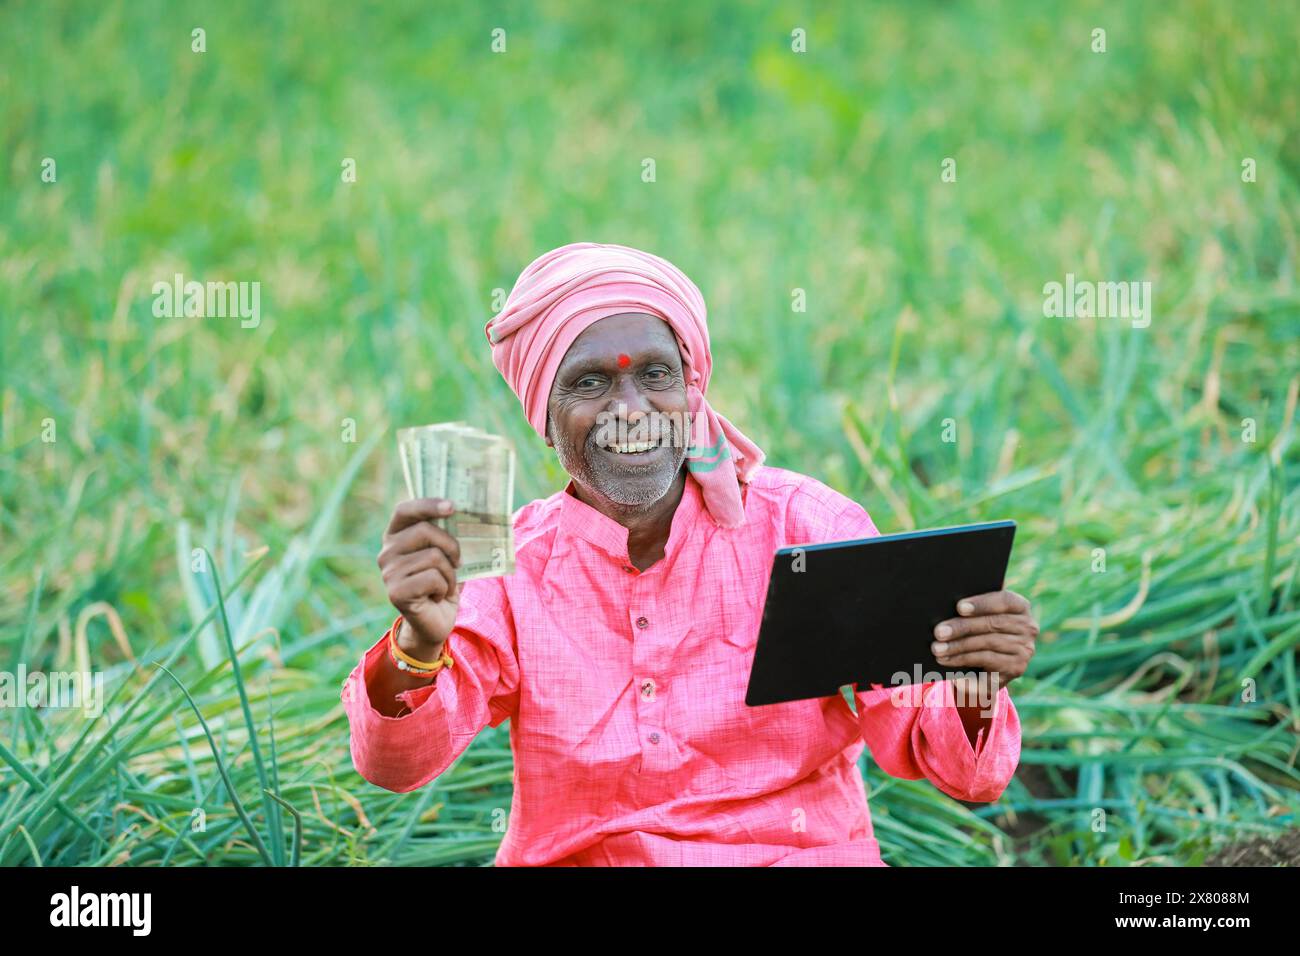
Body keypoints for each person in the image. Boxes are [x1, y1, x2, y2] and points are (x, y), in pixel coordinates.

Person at [341, 241, 1038, 866]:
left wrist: (975, 680)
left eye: (654, 375)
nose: (632, 408)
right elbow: (395, 766)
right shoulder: (512, 566)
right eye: (590, 383)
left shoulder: (804, 529)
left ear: (693, 387)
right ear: (545, 424)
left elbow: (963, 772)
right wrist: (418, 645)